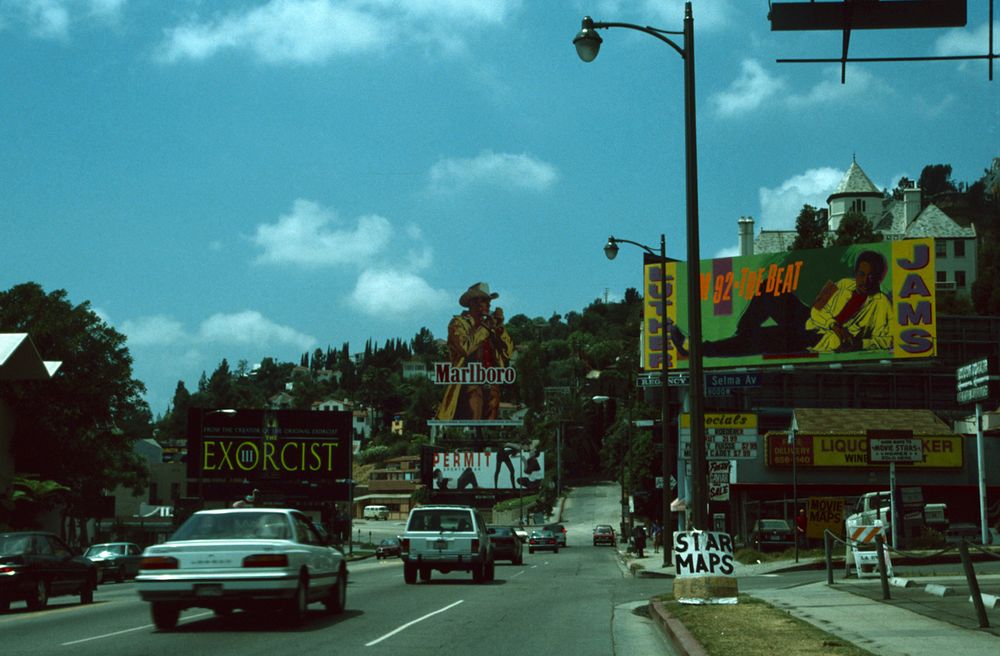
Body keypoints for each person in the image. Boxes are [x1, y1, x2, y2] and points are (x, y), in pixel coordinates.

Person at [671, 250, 892, 358]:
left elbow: (885, 340)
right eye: (861, 274)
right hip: (809, 320)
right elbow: (816, 309)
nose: (864, 280)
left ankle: (696, 348)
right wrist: (833, 323)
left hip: (817, 340)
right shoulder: (843, 283)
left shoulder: (881, 305)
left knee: (758, 340)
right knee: (770, 286)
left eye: (870, 276)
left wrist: (857, 343)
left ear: (879, 277)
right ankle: (743, 334)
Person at [436, 282, 515, 420]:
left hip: (492, 381)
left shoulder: (491, 325)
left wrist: (500, 327)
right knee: (473, 420)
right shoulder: (458, 323)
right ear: (472, 303)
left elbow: (508, 352)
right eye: (484, 301)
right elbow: (465, 348)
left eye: (489, 301)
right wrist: (486, 328)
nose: (489, 305)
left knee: (490, 427)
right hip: (468, 382)